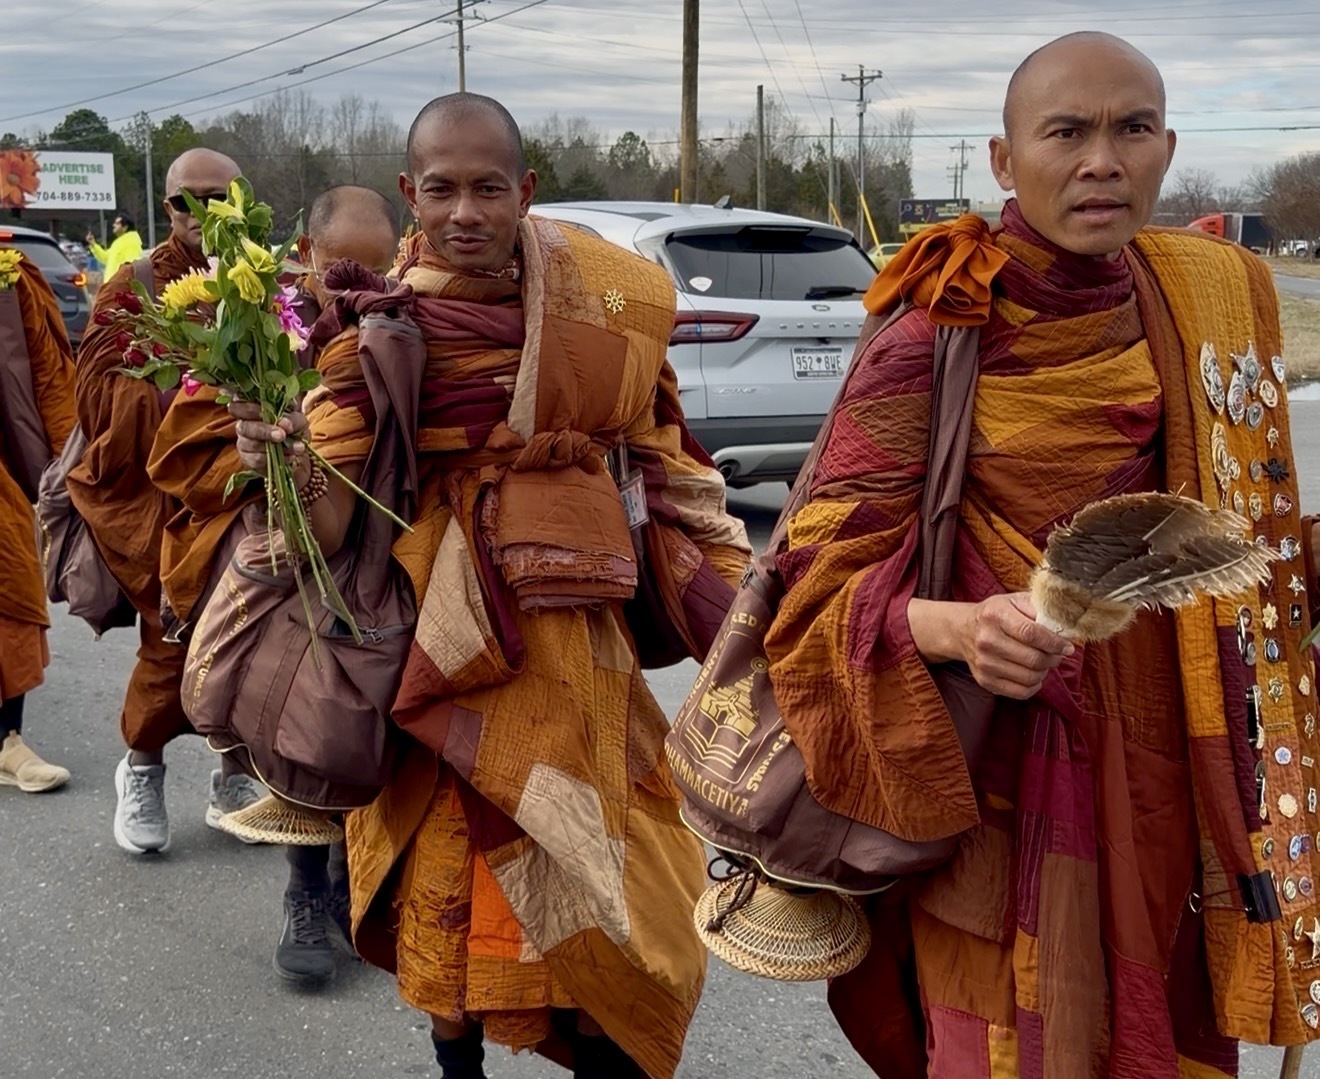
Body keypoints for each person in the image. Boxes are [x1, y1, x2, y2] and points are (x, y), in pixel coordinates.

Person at [763, 31, 1320, 1079]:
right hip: (996, 784)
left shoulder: (1203, 303)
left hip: (1171, 765)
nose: (1102, 160)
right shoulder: (936, 331)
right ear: (1005, 160)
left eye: (1133, 129)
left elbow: (1252, 545)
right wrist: (960, 628)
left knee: (1163, 1028)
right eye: (1066, 132)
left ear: (1167, 149)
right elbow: (813, 583)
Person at [232, 92, 751, 1078]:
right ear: (410, 192)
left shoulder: (600, 307)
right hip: (443, 658)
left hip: (581, 658)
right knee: (453, 893)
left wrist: (741, 597)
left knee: (614, 882)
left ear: (526, 189)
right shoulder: (376, 334)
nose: (464, 211)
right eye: (441, 189)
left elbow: (665, 464)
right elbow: (329, 530)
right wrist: (289, 467)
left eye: (487, 188)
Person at [148, 183, 401, 983]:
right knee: (303, 721)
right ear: (306, 258)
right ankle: (304, 890)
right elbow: (190, 444)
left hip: (386, 557)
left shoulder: (406, 327)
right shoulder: (263, 330)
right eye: (340, 267)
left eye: (377, 267)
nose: (356, 283)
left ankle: (354, 882)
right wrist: (263, 453)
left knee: (365, 728)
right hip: (287, 557)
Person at [67, 148, 264, 855]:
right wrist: (190, 396)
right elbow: (96, 392)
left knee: (246, 635)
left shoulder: (258, 274)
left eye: (219, 200)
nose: (202, 214)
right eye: (188, 201)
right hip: (161, 496)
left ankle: (234, 774)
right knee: (171, 639)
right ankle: (142, 768)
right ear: (167, 205)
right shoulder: (140, 283)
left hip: (241, 488)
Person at [0, 248, 78, 794]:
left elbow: (49, 371)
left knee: (11, 583)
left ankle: (8, 742)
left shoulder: (9, 274)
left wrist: (72, 463)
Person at [85, 211, 144, 284]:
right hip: (112, 284)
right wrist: (93, 244)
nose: (114, 225)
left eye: (117, 223)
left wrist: (123, 283)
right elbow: (106, 258)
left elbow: (131, 265)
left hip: (119, 285)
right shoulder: (118, 242)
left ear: (125, 227)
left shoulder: (132, 240)